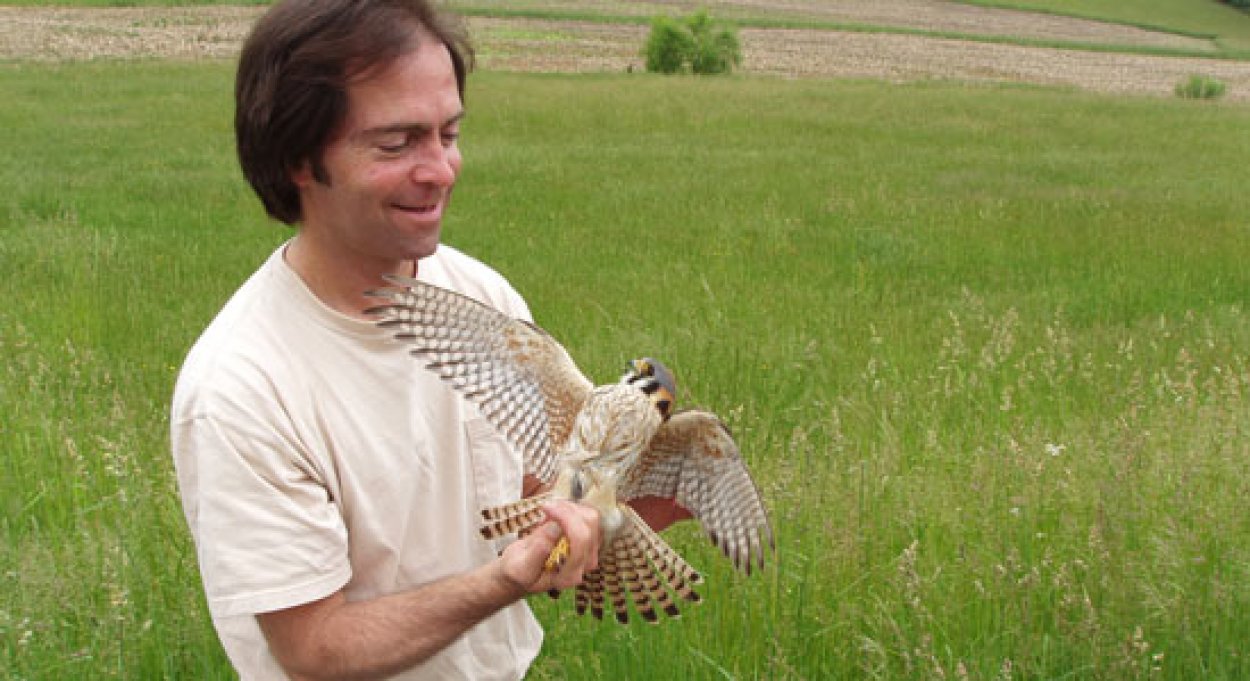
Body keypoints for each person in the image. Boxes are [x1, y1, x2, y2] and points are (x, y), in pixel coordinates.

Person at [170, 0, 687, 678]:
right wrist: (505, 580)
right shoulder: (242, 388)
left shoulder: (481, 297)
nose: (441, 169)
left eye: (449, 133)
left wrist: (632, 501)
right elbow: (314, 650)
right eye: (398, 143)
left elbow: (540, 494)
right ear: (298, 158)